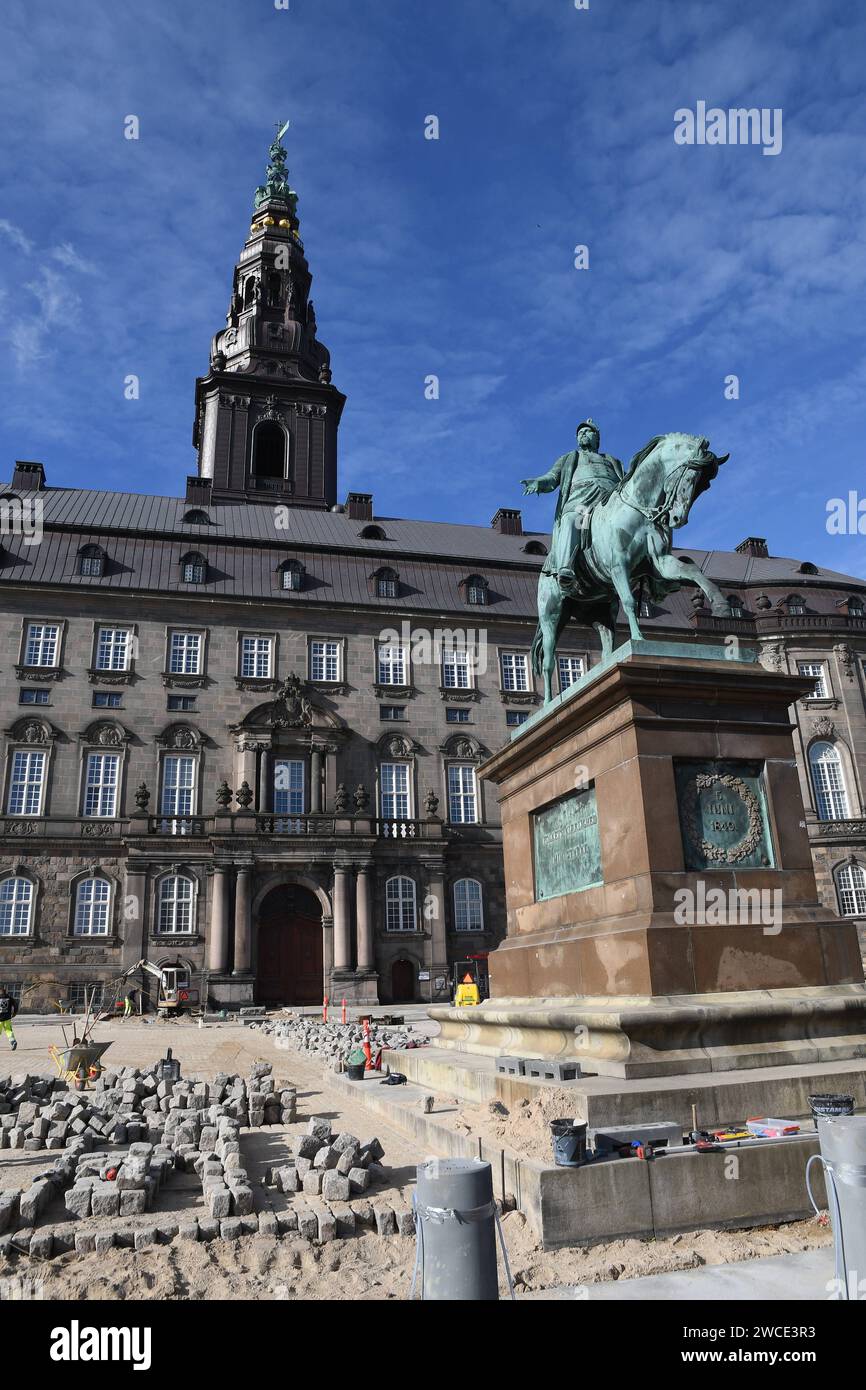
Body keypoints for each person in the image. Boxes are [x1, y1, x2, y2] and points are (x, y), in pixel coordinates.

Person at [522, 418, 624, 590]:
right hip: (581, 502)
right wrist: (538, 482)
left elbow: (628, 482)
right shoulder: (570, 458)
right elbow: (552, 478)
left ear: (597, 438)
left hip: (610, 502)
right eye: (580, 433)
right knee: (571, 521)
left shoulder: (612, 461)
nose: (583, 434)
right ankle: (565, 569)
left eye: (587, 431)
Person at [0, 985, 18, 1050]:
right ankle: (13, 1042)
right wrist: (14, 1013)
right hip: (7, 1018)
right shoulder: (10, 998)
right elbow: (16, 1005)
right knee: (9, 1031)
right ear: (5, 992)